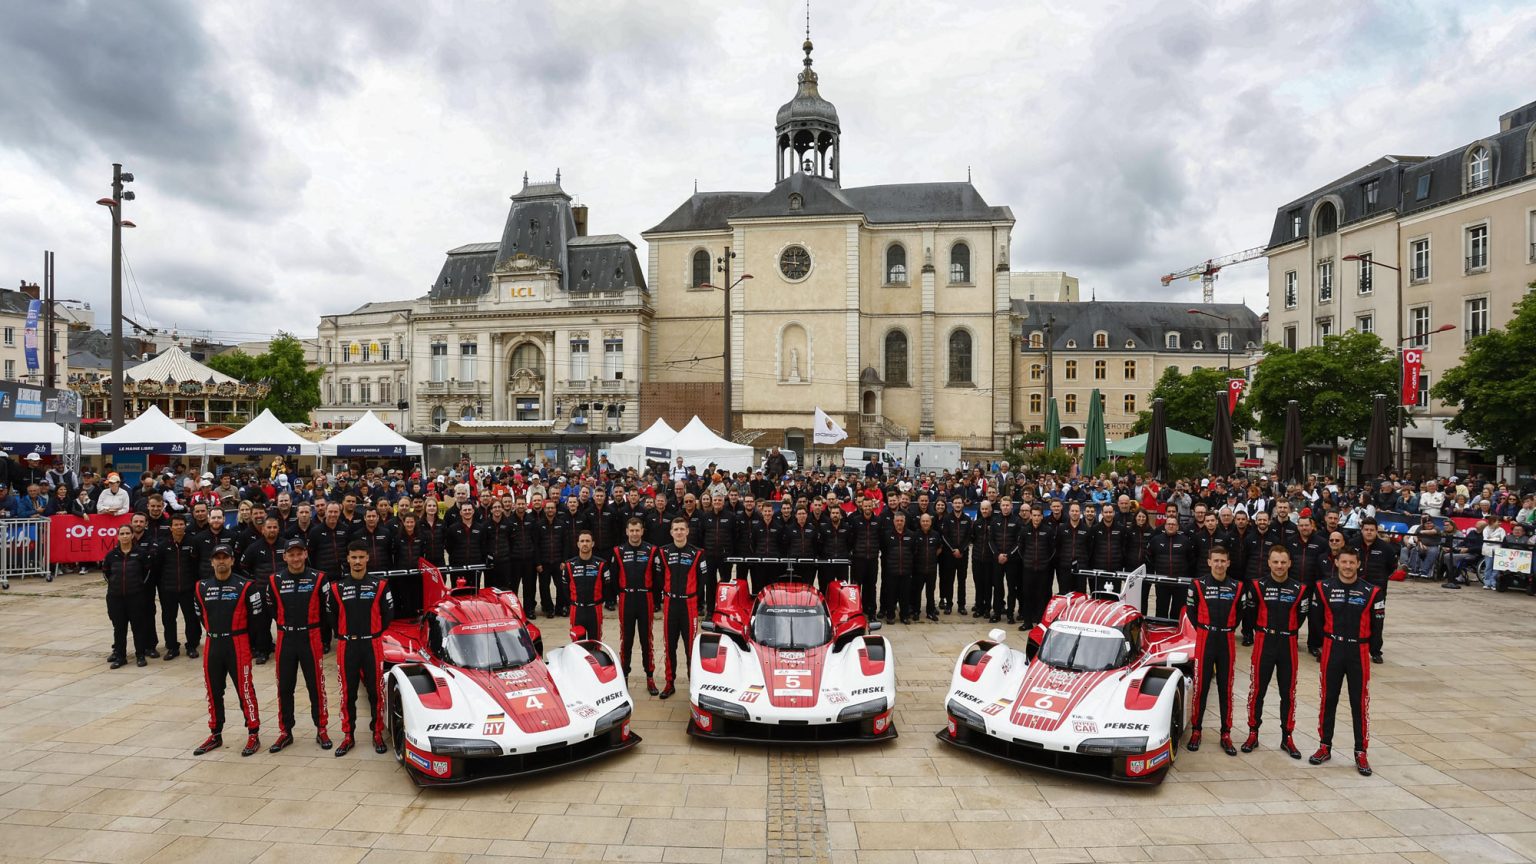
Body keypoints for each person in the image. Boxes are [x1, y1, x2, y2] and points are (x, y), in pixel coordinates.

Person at [1311, 546, 1384, 776]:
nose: (1348, 567)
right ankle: (1324, 746)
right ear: (1337, 563)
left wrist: (1374, 649)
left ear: (1358, 564)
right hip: (1332, 647)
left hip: (1359, 650)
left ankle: (1360, 751)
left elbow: (1377, 625)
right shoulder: (1323, 588)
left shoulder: (1372, 591)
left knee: (1358, 702)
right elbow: (1316, 619)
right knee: (1328, 699)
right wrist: (1318, 646)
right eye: (1344, 562)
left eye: (1352, 563)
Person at [192, 542, 263, 757]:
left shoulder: (246, 586)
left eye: (225, 557)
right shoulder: (201, 587)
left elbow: (256, 620)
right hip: (213, 643)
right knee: (213, 690)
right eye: (217, 557)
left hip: (238, 643)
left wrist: (246, 641)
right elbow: (201, 616)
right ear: (212, 561)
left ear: (232, 560)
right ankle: (215, 732)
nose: (221, 561)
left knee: (245, 690)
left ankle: (253, 733)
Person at [328, 540, 393, 756]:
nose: (357, 561)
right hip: (347, 645)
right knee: (348, 694)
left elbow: (388, 615)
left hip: (372, 644)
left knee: (376, 692)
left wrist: (373, 632)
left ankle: (376, 733)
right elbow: (331, 617)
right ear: (347, 559)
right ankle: (348, 735)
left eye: (361, 557)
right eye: (353, 557)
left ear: (368, 558)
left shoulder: (380, 585)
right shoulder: (337, 588)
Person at [1242, 546, 1308, 758]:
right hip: (1264, 640)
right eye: (1275, 562)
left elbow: (1302, 616)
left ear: (1289, 563)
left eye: (1283, 562)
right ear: (1269, 563)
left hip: (1288, 643)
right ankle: (1253, 732)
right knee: (1257, 690)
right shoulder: (1256, 586)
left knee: (1287, 693)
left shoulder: (1301, 588)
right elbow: (1249, 613)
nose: (1279, 566)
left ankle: (1287, 737)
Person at [268, 536, 332, 752]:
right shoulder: (274, 580)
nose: (295, 558)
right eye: (291, 554)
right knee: (285, 687)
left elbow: (328, 610)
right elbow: (271, 610)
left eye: (299, 553)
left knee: (316, 687)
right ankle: (285, 731)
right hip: (286, 638)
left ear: (306, 554)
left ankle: (321, 729)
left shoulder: (320, 578)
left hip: (311, 637)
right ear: (284, 556)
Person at [1187, 545, 1242, 756]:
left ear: (1228, 562)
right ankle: (1196, 730)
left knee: (1225, 689)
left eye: (1223, 561)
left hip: (1226, 640)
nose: (1219, 564)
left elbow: (1241, 613)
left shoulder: (1237, 586)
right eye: (1215, 560)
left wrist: (1228, 628)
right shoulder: (1197, 585)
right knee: (1201, 687)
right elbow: (1191, 613)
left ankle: (1226, 733)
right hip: (1205, 639)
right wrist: (1204, 628)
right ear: (1209, 562)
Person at [658, 517, 707, 699]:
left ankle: (693, 683)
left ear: (687, 531)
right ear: (671, 532)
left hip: (689, 605)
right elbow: (659, 577)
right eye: (675, 529)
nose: (678, 532)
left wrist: (697, 601)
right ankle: (669, 683)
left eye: (682, 529)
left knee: (691, 648)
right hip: (671, 604)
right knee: (669, 646)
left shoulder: (698, 553)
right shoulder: (663, 552)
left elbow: (703, 581)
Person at [613, 517, 662, 694]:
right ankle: (624, 677)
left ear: (642, 531)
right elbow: (613, 577)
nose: (634, 534)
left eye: (637, 530)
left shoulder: (652, 550)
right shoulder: (618, 551)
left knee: (646, 639)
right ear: (627, 532)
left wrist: (657, 601)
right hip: (626, 599)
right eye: (631, 530)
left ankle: (649, 677)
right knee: (626, 640)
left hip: (645, 598)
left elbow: (658, 579)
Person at [103, 525, 155, 668]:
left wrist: (139, 585)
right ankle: (120, 656)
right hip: (115, 597)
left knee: (138, 627)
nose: (125, 536)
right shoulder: (111, 555)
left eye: (127, 533)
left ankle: (140, 655)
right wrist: (115, 585)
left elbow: (147, 572)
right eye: (122, 533)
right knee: (119, 628)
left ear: (132, 535)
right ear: (118, 536)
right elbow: (106, 573)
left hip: (136, 597)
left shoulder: (141, 554)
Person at [153, 512, 202, 660]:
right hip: (168, 589)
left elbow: (197, 565)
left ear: (185, 526)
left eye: (182, 524)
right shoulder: (163, 545)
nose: (179, 527)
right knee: (168, 619)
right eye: (176, 525)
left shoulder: (193, 542)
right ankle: (172, 647)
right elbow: (157, 568)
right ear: (170, 527)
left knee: (191, 618)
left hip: (188, 588)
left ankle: (192, 646)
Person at [564, 530, 610, 641]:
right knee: (578, 646)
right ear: (578, 544)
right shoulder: (569, 565)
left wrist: (599, 601)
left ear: (593, 543)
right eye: (582, 541)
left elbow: (607, 588)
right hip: (577, 610)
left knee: (596, 644)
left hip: (595, 609)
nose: (585, 544)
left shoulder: (602, 564)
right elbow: (564, 588)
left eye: (588, 541)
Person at [939, 495, 973, 614]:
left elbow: (970, 537)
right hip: (950, 555)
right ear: (952, 505)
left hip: (963, 555)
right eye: (955, 503)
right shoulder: (947, 519)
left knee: (962, 581)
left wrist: (961, 550)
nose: (958, 505)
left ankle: (961, 605)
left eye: (959, 503)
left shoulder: (967, 519)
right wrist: (953, 549)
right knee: (949, 580)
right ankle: (949, 604)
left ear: (963, 504)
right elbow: (944, 536)